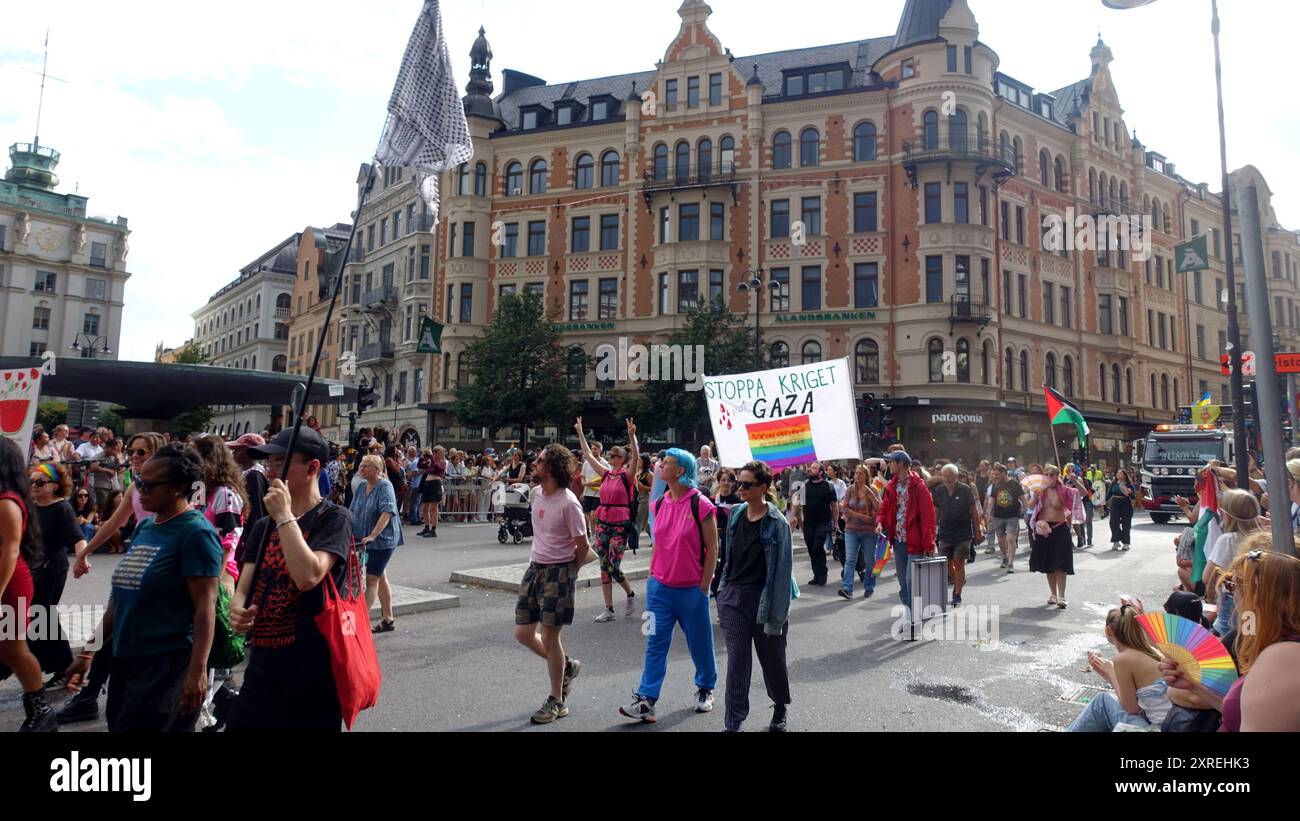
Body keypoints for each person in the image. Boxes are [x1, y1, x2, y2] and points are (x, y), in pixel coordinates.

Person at [227, 427, 355, 732]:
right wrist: (236, 607)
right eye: (268, 463)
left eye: (279, 463)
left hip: (312, 677)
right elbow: (244, 584)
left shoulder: (334, 518)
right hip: (261, 670)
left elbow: (308, 576)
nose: (270, 472)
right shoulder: (262, 526)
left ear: (312, 468)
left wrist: (285, 516)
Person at [106, 444, 222, 732]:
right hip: (126, 658)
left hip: (166, 665)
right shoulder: (146, 527)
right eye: (137, 481)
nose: (139, 489)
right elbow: (120, 596)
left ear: (177, 488)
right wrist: (88, 653)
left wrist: (197, 672)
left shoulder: (196, 533)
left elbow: (204, 608)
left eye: (147, 484)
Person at [57, 432, 166, 725]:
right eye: (132, 452)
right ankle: (90, 696)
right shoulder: (135, 488)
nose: (135, 457)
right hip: (137, 565)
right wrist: (84, 553)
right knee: (111, 629)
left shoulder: (173, 490)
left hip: (162, 568)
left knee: (125, 633)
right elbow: (115, 522)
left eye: (142, 452)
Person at [621, 448, 719, 723]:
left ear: (680, 471)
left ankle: (705, 688)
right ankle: (646, 699)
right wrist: (652, 578)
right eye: (661, 462)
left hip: (692, 591)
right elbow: (658, 545)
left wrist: (704, 586)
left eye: (667, 463)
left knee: (700, 643)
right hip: (659, 592)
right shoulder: (659, 504)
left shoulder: (700, 504)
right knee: (653, 641)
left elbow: (713, 547)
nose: (661, 465)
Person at [1162, 539, 1300, 731]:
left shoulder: (1282, 656)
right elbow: (1242, 713)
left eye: (1233, 586)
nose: (1232, 595)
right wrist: (1193, 684)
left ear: (1261, 598)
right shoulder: (1275, 643)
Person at [514, 444, 593, 725]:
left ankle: (556, 700)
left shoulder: (569, 503)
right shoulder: (536, 494)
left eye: (541, 460)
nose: (535, 462)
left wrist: (569, 572)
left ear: (553, 467)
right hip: (534, 569)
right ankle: (567, 666)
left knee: (550, 636)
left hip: (558, 573)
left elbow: (583, 546)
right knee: (523, 633)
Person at [718, 460, 794, 732]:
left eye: (747, 484)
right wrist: (722, 589)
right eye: (739, 483)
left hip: (765, 599)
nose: (740, 488)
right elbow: (728, 556)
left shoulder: (777, 523)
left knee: (772, 659)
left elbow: (783, 573)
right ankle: (733, 722)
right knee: (737, 660)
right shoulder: (736, 514)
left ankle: (780, 706)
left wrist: (777, 616)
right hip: (734, 598)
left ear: (762, 488)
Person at [0, 440, 57, 731]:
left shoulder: (7, 502)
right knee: (10, 649)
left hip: (9, 583)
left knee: (14, 650)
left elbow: (8, 553)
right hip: (8, 581)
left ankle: (41, 711)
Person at [22, 463, 85, 685]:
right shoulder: (30, 506)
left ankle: (62, 667)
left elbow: (77, 537)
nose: (34, 485)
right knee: (38, 616)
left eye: (40, 482)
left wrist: (82, 558)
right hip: (31, 567)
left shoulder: (62, 508)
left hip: (52, 569)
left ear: (55, 486)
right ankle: (56, 665)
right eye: (31, 481)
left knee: (43, 615)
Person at [576, 417, 640, 623]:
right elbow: (587, 455)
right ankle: (609, 609)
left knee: (614, 566)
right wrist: (580, 432)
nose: (610, 457)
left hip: (620, 525)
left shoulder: (626, 476)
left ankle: (630, 594)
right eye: (610, 455)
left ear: (622, 459)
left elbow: (636, 458)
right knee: (603, 566)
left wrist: (632, 436)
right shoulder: (605, 475)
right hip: (603, 522)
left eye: (615, 455)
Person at [1068, 604, 1172, 731]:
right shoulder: (1152, 650)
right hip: (1172, 725)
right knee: (1109, 700)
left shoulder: (1123, 659)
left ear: (1108, 630)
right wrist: (1109, 673)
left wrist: (1111, 673)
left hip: (1158, 728)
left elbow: (1132, 708)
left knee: (1102, 701)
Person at [876, 451, 936, 617]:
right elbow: (884, 508)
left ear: (900, 464)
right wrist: (880, 522)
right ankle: (912, 613)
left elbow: (928, 518)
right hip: (898, 541)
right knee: (903, 583)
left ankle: (912, 618)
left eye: (891, 462)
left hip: (915, 543)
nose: (889, 465)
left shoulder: (919, 486)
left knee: (911, 582)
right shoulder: (892, 486)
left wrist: (929, 543)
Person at [352, 454, 403, 632]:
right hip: (364, 539)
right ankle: (388, 619)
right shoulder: (361, 487)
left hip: (383, 540)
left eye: (366, 465)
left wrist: (373, 535)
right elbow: (353, 511)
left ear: (377, 469)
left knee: (372, 578)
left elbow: (387, 513)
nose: (361, 468)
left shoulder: (385, 486)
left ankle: (360, 623)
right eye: (361, 465)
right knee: (381, 576)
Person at [1203, 489, 1262, 637]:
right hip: (1257, 611)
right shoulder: (1263, 539)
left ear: (1226, 515)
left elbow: (1206, 577)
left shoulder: (1228, 540)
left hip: (1230, 613)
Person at [932, 464, 981, 607]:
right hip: (945, 533)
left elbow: (974, 512)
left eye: (949, 476)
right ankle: (960, 580)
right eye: (944, 476)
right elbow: (936, 511)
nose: (946, 478)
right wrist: (932, 529)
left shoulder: (965, 490)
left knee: (959, 562)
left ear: (956, 476)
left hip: (963, 533)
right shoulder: (939, 491)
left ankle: (957, 594)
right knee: (946, 565)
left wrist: (978, 530)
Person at [1028, 465, 1076, 609]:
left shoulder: (1065, 490)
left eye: (1051, 475)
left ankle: (1061, 596)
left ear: (1057, 476)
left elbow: (1083, 493)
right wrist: (1035, 496)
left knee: (1061, 565)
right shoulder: (1040, 490)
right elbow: (1030, 506)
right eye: (1046, 474)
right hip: (1043, 529)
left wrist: (1076, 480)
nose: (1048, 477)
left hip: (1060, 528)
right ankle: (1053, 594)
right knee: (1048, 564)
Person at [788, 462, 838, 586]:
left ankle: (822, 573)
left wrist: (836, 522)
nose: (810, 469)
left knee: (817, 546)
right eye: (811, 467)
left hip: (824, 522)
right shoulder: (804, 485)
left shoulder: (828, 486)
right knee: (811, 549)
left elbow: (834, 506)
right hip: (809, 523)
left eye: (814, 468)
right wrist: (793, 516)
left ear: (821, 472)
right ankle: (817, 574)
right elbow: (796, 501)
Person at [839, 464, 881, 599]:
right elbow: (845, 509)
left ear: (866, 476)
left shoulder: (873, 489)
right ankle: (847, 588)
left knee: (870, 561)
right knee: (850, 559)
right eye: (856, 473)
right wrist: (862, 516)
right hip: (851, 530)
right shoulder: (850, 490)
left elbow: (880, 509)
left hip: (869, 532)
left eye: (860, 473)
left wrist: (870, 495)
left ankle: (869, 586)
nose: (857, 476)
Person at [985, 463, 1023, 573]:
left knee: (1010, 539)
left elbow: (1023, 498)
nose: (995, 477)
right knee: (1001, 540)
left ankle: (1010, 564)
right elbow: (992, 501)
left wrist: (1025, 511)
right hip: (998, 516)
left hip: (1012, 516)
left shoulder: (1015, 484)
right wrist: (988, 515)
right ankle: (1005, 557)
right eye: (993, 475)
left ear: (1003, 473)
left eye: (997, 474)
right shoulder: (995, 485)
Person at [710, 471, 742, 596]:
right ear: (719, 481)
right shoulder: (713, 500)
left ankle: (725, 586)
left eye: (729, 480)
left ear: (733, 482)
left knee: (727, 562)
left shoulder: (737, 500)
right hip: (716, 537)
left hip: (731, 537)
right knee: (715, 563)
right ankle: (714, 586)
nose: (726, 483)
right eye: (723, 480)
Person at [229, 434, 269, 529]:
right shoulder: (247, 473)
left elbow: (256, 512)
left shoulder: (255, 476)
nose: (234, 452)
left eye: (238, 448)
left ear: (249, 452)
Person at [580, 440, 609, 536]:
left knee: (593, 516)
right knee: (588, 516)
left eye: (595, 449)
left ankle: (597, 535)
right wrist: (583, 483)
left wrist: (590, 484)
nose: (593, 451)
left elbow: (606, 480)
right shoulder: (586, 463)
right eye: (592, 449)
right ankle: (594, 535)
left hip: (598, 494)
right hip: (587, 493)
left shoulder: (605, 464)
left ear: (600, 450)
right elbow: (583, 476)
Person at [89, 438, 125, 513]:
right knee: (104, 506)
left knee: (114, 505)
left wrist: (116, 458)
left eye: (115, 449)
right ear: (107, 447)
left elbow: (119, 469)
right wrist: (107, 470)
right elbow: (92, 467)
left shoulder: (113, 456)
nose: (113, 451)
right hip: (102, 485)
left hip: (113, 485)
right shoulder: (99, 456)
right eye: (112, 449)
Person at [419, 446, 447, 537]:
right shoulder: (431, 461)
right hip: (427, 484)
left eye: (436, 452)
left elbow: (436, 466)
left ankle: (433, 530)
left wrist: (431, 456)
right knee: (424, 509)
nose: (434, 453)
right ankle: (426, 527)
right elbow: (420, 465)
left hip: (435, 484)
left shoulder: (442, 462)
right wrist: (423, 456)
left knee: (433, 509)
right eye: (433, 452)